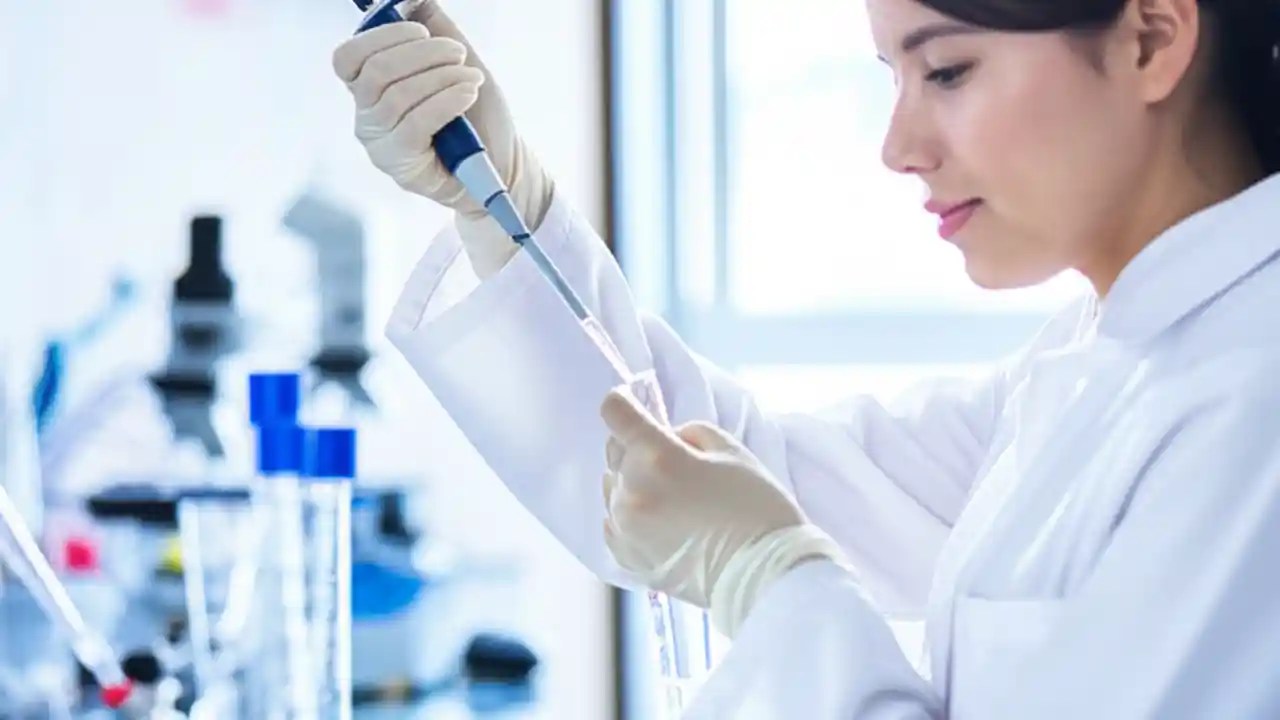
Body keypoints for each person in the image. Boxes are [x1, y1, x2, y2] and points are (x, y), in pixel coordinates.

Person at [332, 0, 1280, 716]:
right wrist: (503, 209)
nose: (897, 146)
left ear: (1152, 39)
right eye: (891, 80)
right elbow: (715, 468)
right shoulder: (1100, 358)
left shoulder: (1250, 400)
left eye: (946, 71)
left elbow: (757, 520)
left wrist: (771, 579)